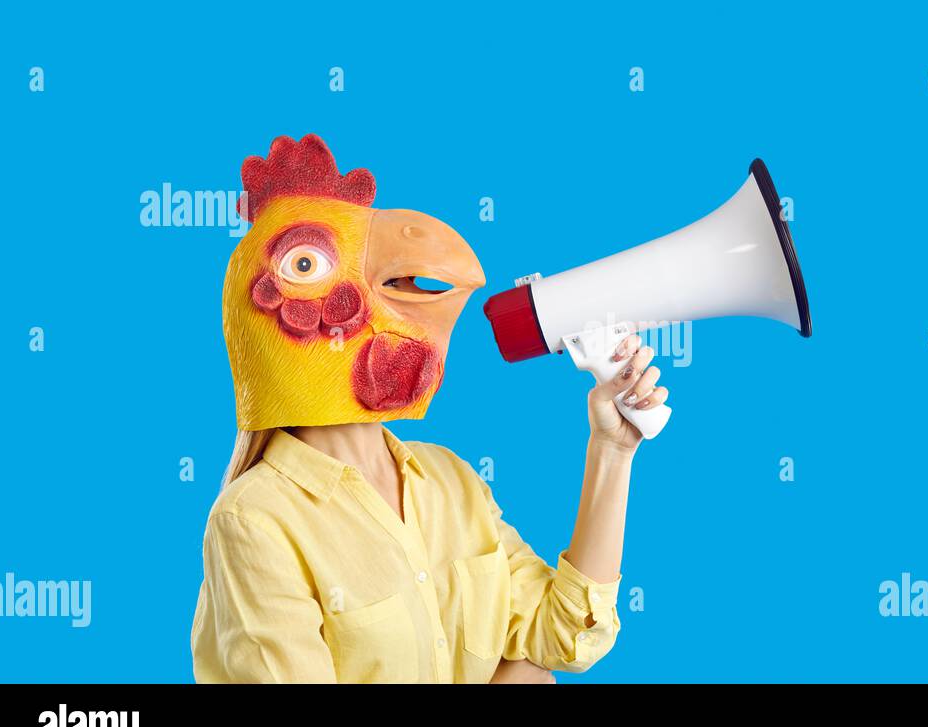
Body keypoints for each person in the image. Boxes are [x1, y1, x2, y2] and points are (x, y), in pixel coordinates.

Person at [190, 134, 667, 683]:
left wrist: (612, 449)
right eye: (305, 263)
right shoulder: (255, 520)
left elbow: (564, 634)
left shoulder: (451, 481)